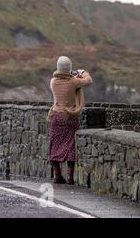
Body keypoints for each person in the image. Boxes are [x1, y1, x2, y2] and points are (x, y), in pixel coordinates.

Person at [48, 56, 93, 184]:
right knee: (71, 145)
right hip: (70, 117)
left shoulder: (53, 82)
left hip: (56, 116)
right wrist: (82, 72)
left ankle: (57, 176)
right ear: (69, 68)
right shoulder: (73, 82)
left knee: (54, 144)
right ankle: (70, 177)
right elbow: (89, 81)